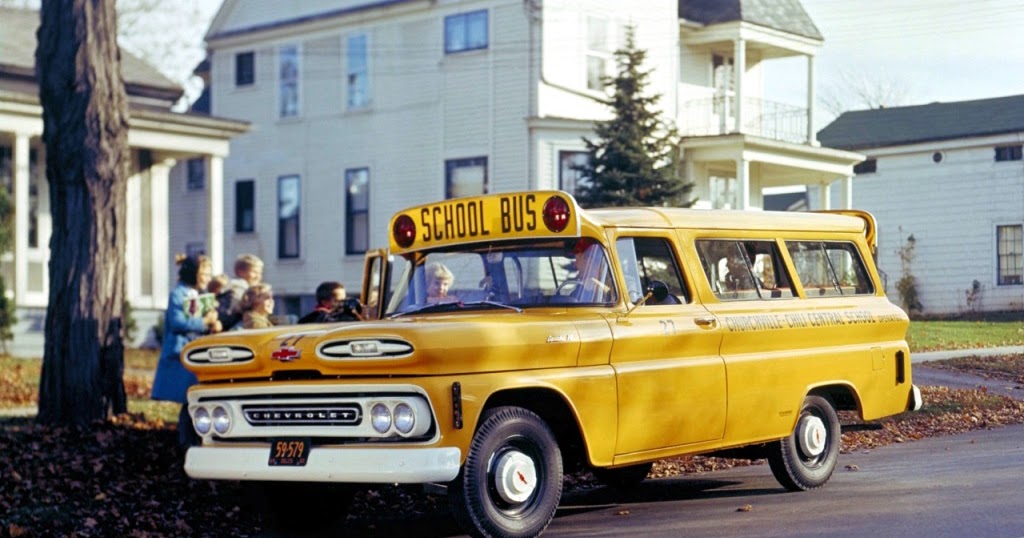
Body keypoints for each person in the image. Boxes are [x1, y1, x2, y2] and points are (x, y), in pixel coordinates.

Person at [152, 254, 223, 448]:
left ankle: (193, 440)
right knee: (189, 398)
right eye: (204, 273)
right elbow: (177, 322)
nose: (208, 278)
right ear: (193, 273)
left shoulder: (195, 294)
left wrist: (212, 323)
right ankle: (187, 443)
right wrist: (204, 322)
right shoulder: (178, 294)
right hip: (181, 352)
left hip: (194, 351)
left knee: (194, 399)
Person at [223, 254, 264, 330]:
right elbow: (228, 317)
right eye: (254, 272)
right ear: (240, 272)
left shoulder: (247, 289)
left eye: (260, 273)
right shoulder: (237, 289)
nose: (258, 276)